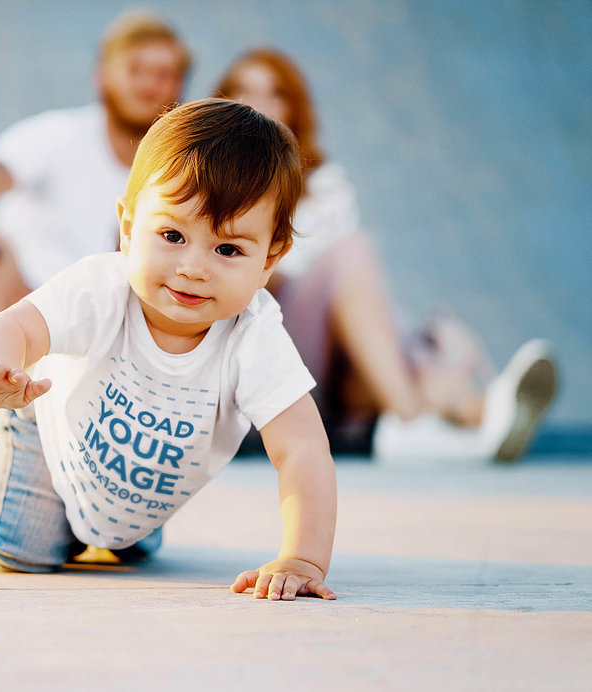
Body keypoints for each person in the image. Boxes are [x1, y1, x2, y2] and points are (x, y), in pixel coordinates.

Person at [0, 99, 337, 601]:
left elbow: (302, 448)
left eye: (228, 249)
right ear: (128, 228)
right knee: (25, 549)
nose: (193, 267)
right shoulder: (100, 289)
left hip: (138, 494)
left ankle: (108, 529)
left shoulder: (254, 336)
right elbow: (19, 324)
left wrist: (302, 557)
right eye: (172, 235)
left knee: (126, 548)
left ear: (268, 261)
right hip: (51, 432)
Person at [213, 48, 558, 464]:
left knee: (357, 271)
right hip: (259, 354)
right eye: (244, 91)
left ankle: (468, 417)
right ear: (223, 101)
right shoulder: (210, 180)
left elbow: (348, 299)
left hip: (331, 374)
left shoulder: (323, 186)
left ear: (294, 106)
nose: (258, 104)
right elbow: (254, 281)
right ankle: (461, 415)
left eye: (273, 93)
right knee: (353, 252)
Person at [0, 10, 190, 339]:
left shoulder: (182, 167)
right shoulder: (59, 135)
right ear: (101, 75)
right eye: (135, 69)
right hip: (20, 311)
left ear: (181, 85)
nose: (149, 84)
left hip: (106, 338)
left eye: (164, 73)